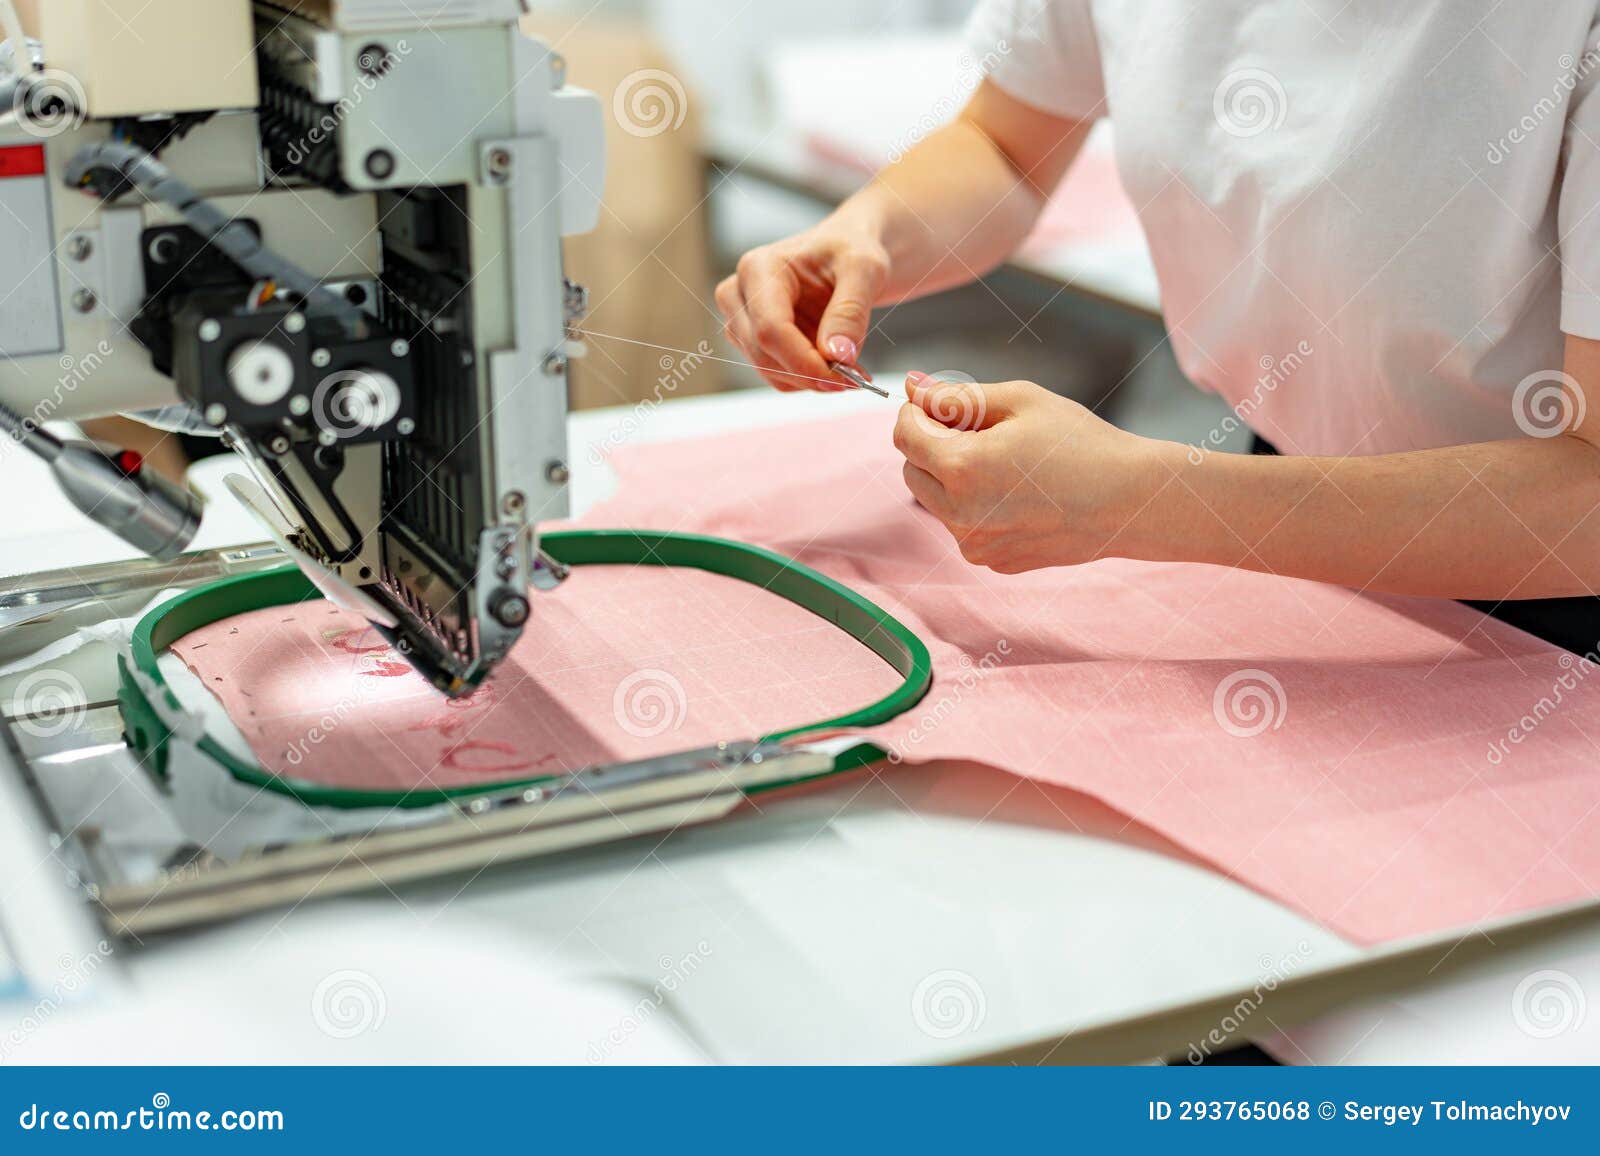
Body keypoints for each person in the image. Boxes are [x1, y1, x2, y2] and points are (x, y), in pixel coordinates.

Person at [716, 1, 1600, 653]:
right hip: (1295, 515)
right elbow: (1007, 146)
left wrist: (1142, 501)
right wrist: (864, 235)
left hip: (1559, 599)